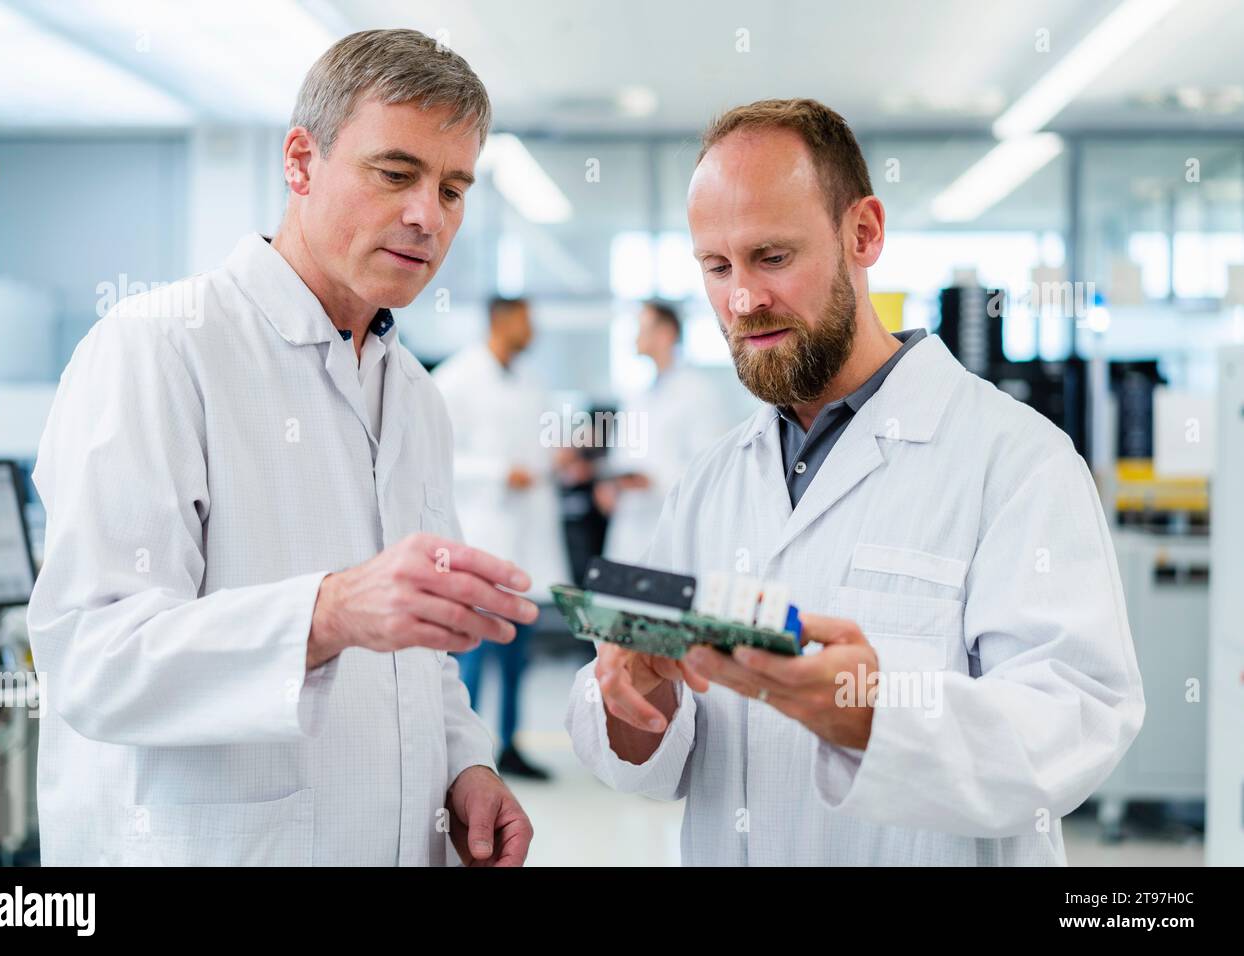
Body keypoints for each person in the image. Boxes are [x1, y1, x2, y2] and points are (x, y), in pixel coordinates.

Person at [566, 98, 1144, 865]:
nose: (742, 299)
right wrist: (636, 696)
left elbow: (1077, 720)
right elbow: (648, 753)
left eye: (772, 257)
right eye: (717, 266)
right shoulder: (712, 480)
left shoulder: (1017, 461)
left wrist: (873, 715)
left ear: (862, 234)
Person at [28, 29, 537, 867]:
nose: (427, 215)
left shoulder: (416, 396)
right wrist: (327, 613)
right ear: (301, 162)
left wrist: (465, 764)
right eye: (396, 173)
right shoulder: (159, 349)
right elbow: (93, 659)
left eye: (454, 188)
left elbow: (419, 659)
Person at [432, 297, 570, 780]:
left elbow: (539, 449)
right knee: (472, 651)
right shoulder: (456, 378)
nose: (532, 330)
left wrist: (560, 458)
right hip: (481, 532)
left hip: (525, 536)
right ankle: (466, 754)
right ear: (500, 321)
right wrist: (496, 472)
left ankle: (510, 743)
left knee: (517, 649)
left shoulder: (531, 381)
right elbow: (436, 456)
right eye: (525, 321)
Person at [595, 300, 732, 563]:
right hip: (630, 529)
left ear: (666, 333)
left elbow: (712, 467)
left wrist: (654, 479)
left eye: (642, 327)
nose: (636, 336)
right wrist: (611, 485)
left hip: (669, 529)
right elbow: (621, 457)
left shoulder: (697, 392)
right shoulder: (637, 396)